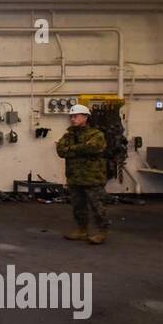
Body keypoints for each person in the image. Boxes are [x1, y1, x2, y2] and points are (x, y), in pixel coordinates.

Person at [57, 103, 109, 244]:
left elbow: (93, 148)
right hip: (75, 176)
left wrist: (72, 149)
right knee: (78, 206)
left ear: (85, 117)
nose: (73, 119)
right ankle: (82, 230)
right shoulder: (68, 135)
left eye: (76, 116)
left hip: (92, 177)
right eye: (71, 116)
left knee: (97, 206)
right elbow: (61, 150)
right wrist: (79, 149)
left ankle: (101, 232)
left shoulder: (96, 134)